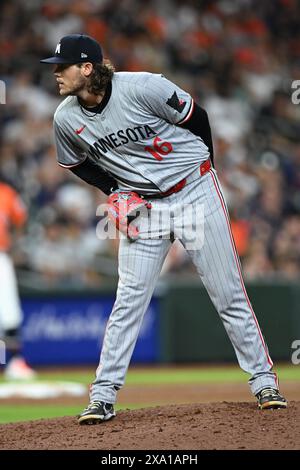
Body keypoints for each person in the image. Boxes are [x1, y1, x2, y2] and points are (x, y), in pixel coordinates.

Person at [41, 34, 287, 424]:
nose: (55, 73)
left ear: (87, 68)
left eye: (62, 66)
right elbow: (74, 164)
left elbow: (197, 118)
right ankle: (102, 396)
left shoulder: (143, 87)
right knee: (129, 301)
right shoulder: (66, 118)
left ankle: (264, 382)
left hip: (195, 190)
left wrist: (204, 171)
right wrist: (113, 189)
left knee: (228, 294)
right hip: (144, 207)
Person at [0, 178, 36, 380]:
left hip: (1, 255)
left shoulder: (5, 192)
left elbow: (21, 219)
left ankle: (13, 362)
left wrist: (15, 246)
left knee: (9, 313)